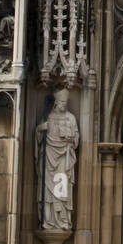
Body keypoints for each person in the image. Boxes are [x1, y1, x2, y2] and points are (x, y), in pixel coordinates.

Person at [35, 90, 79, 232]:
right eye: (61, 103)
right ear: (56, 103)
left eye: (65, 103)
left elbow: (76, 138)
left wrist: (71, 139)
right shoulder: (48, 116)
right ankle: (48, 221)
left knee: (62, 187)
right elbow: (38, 134)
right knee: (48, 191)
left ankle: (62, 220)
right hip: (49, 156)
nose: (63, 105)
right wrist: (41, 128)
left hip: (63, 157)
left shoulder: (71, 118)